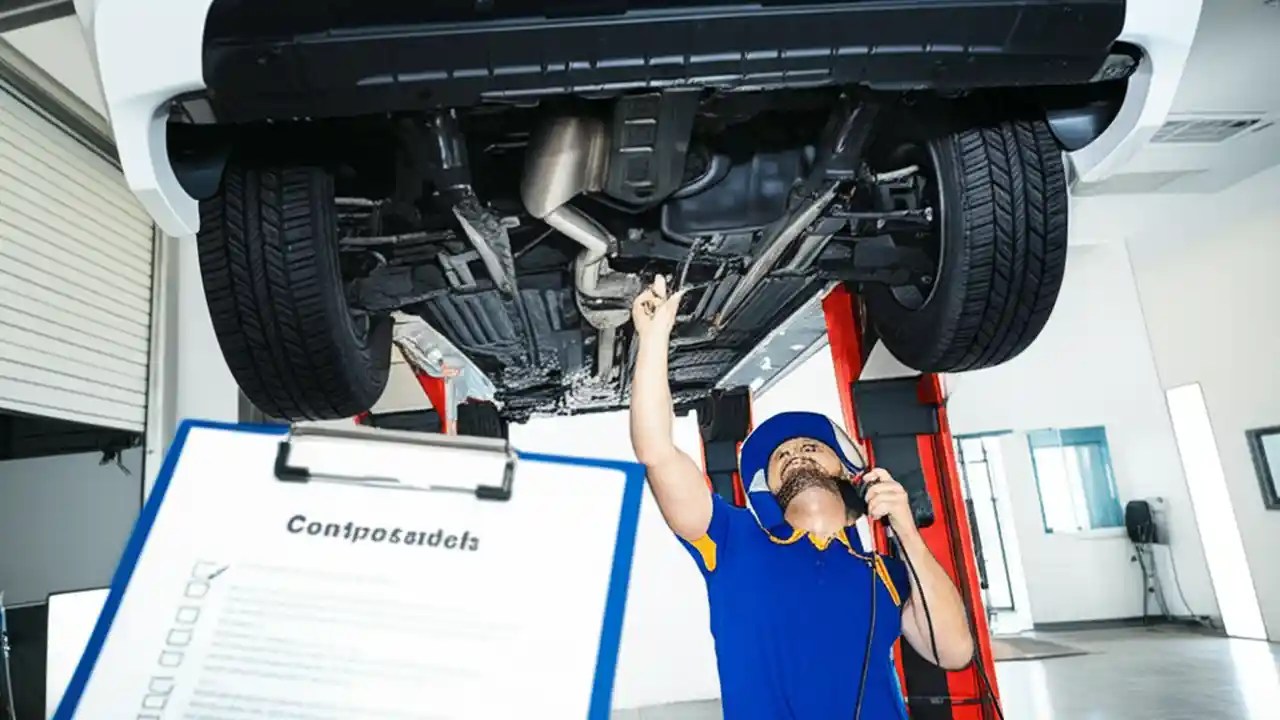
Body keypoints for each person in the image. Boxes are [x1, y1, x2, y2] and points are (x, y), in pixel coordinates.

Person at [628, 277, 975, 720]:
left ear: (850, 475)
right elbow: (656, 451)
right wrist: (654, 340)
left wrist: (905, 530)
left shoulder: (887, 573)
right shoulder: (731, 541)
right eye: (782, 457)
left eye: (812, 448)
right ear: (767, 490)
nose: (795, 454)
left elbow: (954, 651)